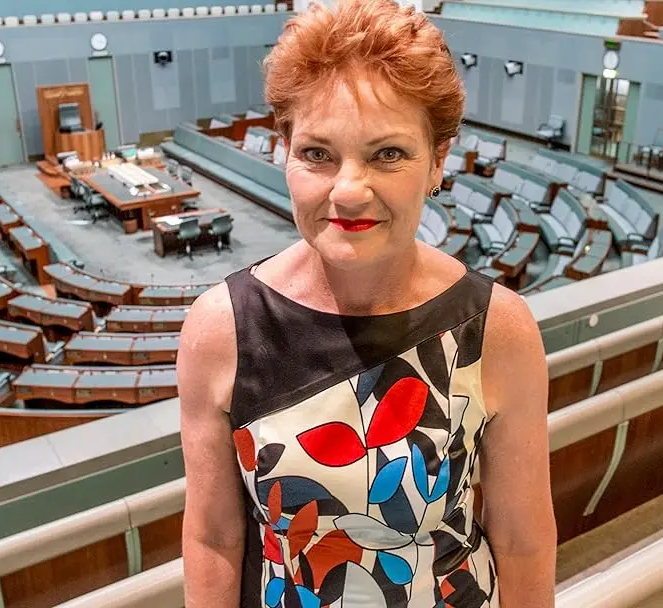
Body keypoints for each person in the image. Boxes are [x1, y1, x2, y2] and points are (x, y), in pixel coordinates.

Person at [178, 0, 556, 605]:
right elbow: (213, 539)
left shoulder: (496, 326)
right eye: (317, 154)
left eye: (388, 154)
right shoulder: (221, 328)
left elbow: (522, 541)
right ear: (284, 150)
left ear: (438, 161)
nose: (349, 191)